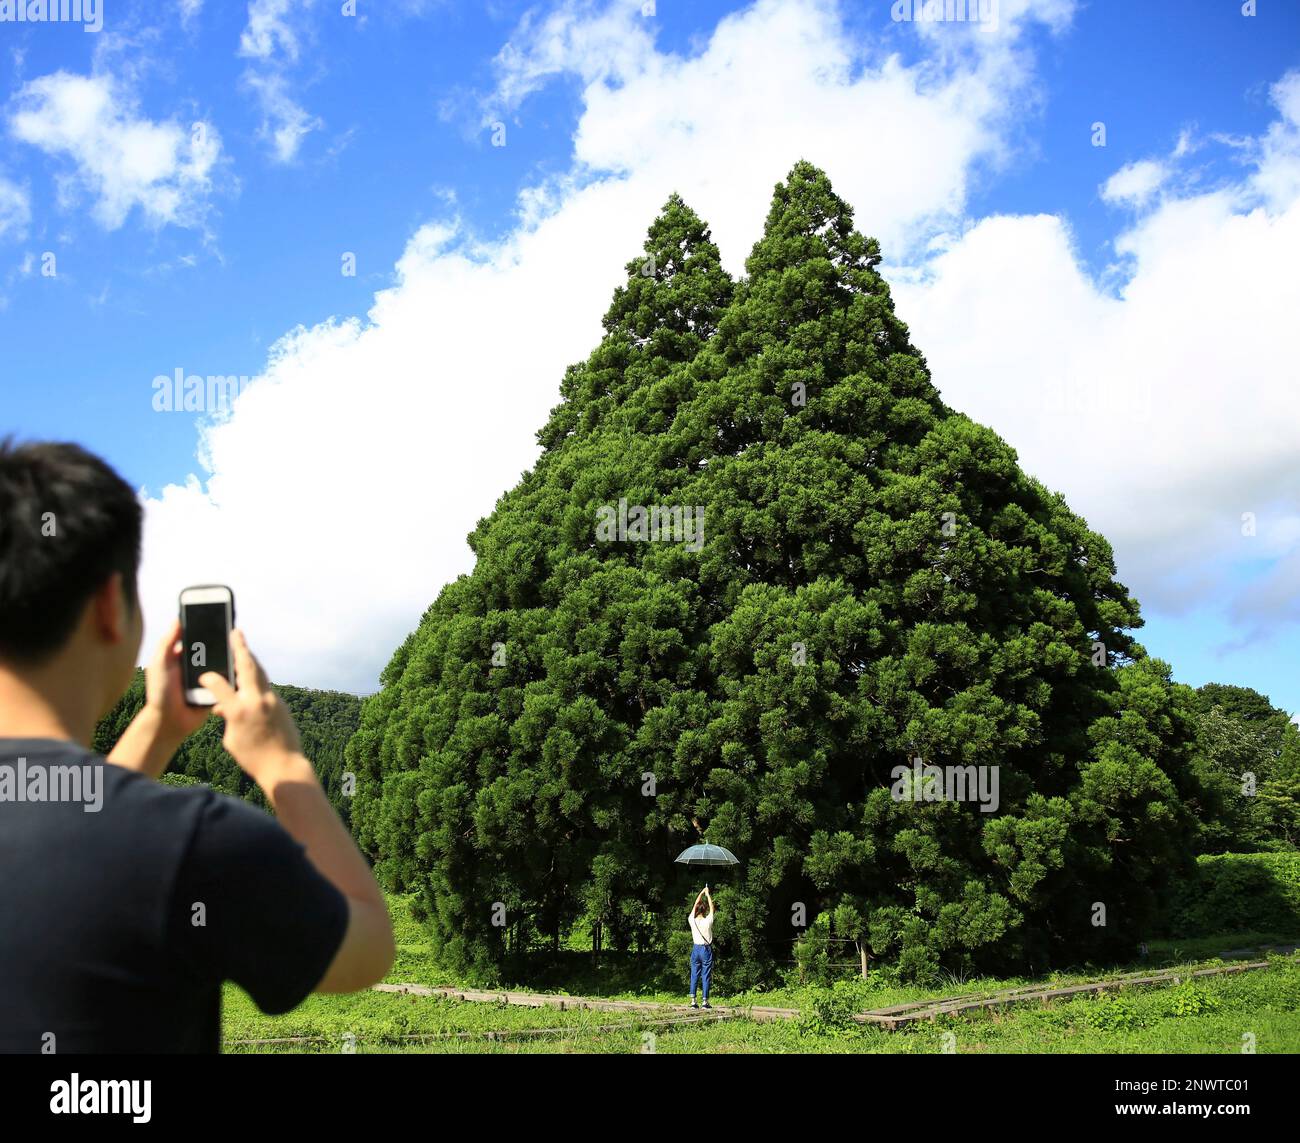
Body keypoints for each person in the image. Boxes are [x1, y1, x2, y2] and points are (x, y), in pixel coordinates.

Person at [0, 439, 395, 1052]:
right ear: (111, 605)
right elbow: (366, 946)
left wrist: (159, 726)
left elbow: (71, 825)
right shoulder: (193, 841)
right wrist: (282, 764)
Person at [687, 885, 715, 1009]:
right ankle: (705, 1001)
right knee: (706, 975)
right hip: (705, 950)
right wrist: (708, 894)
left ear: (696, 909)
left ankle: (693, 1001)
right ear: (704, 911)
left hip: (695, 949)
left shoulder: (691, 920)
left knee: (694, 974)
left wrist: (701, 893)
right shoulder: (707, 921)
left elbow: (695, 904)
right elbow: (712, 908)